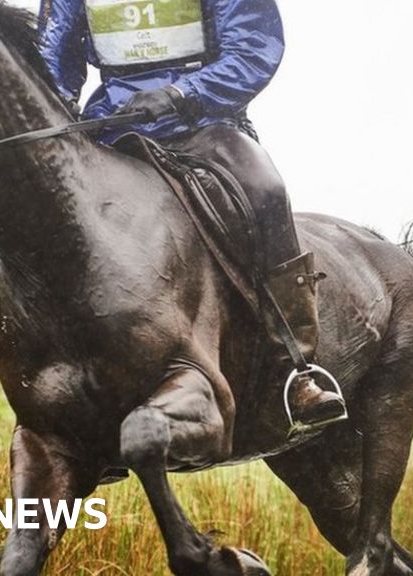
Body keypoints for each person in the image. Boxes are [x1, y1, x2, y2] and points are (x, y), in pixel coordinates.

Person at [37, 0, 345, 428]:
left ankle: (296, 369)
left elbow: (253, 48)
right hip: (110, 124)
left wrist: (181, 94)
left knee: (266, 192)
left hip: (204, 122)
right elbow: (53, 53)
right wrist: (51, 107)